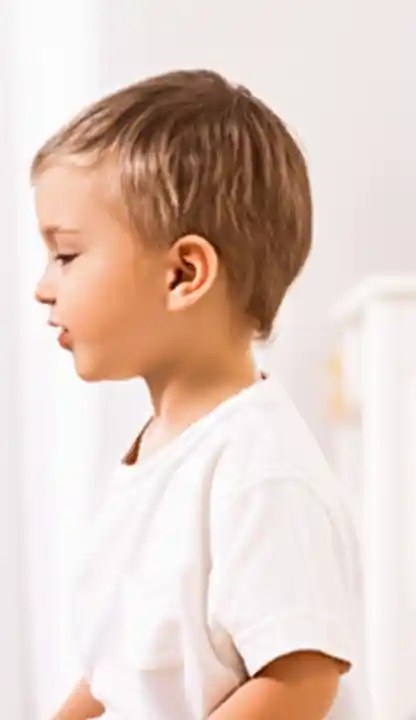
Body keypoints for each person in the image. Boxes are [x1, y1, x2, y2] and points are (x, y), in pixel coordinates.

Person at [32, 70, 368, 719]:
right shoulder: (159, 459)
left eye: (67, 256)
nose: (43, 287)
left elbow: (299, 680)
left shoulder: (259, 469)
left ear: (184, 274)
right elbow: (115, 676)